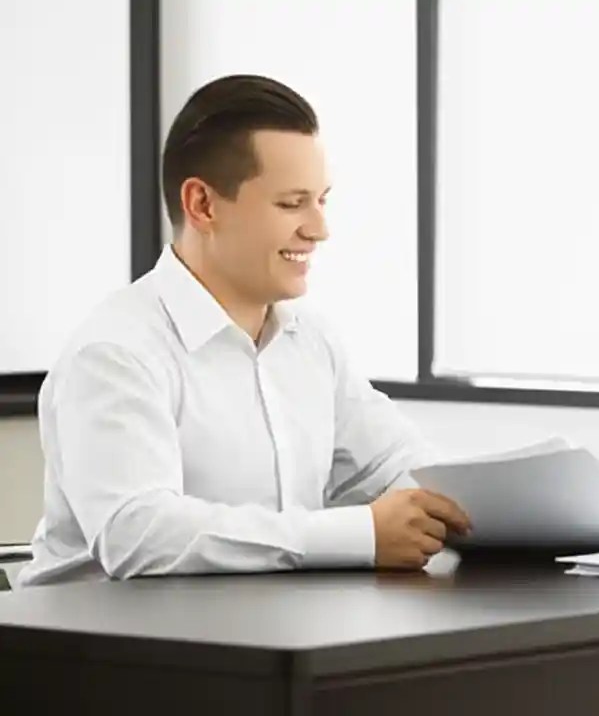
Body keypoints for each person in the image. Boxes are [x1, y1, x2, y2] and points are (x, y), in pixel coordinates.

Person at [18, 75, 470, 587]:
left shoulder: (312, 340)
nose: (319, 229)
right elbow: (137, 534)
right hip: (104, 636)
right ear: (203, 205)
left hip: (265, 627)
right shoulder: (115, 351)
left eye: (322, 200)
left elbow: (397, 463)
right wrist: (359, 534)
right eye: (292, 203)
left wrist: (493, 511)